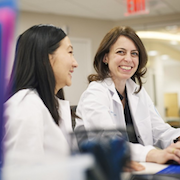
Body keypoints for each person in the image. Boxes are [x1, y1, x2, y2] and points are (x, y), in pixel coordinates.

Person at [75, 26, 180, 168]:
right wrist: (154, 154)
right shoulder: (94, 94)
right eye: (120, 52)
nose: (128, 59)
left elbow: (159, 130)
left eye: (134, 53)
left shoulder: (137, 92)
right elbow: (110, 143)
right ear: (105, 57)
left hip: (141, 168)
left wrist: (178, 139)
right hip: (106, 171)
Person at [3, 24, 78, 164]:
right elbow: (25, 174)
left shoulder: (46, 104)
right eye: (70, 52)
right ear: (47, 58)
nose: (75, 63)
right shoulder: (27, 108)